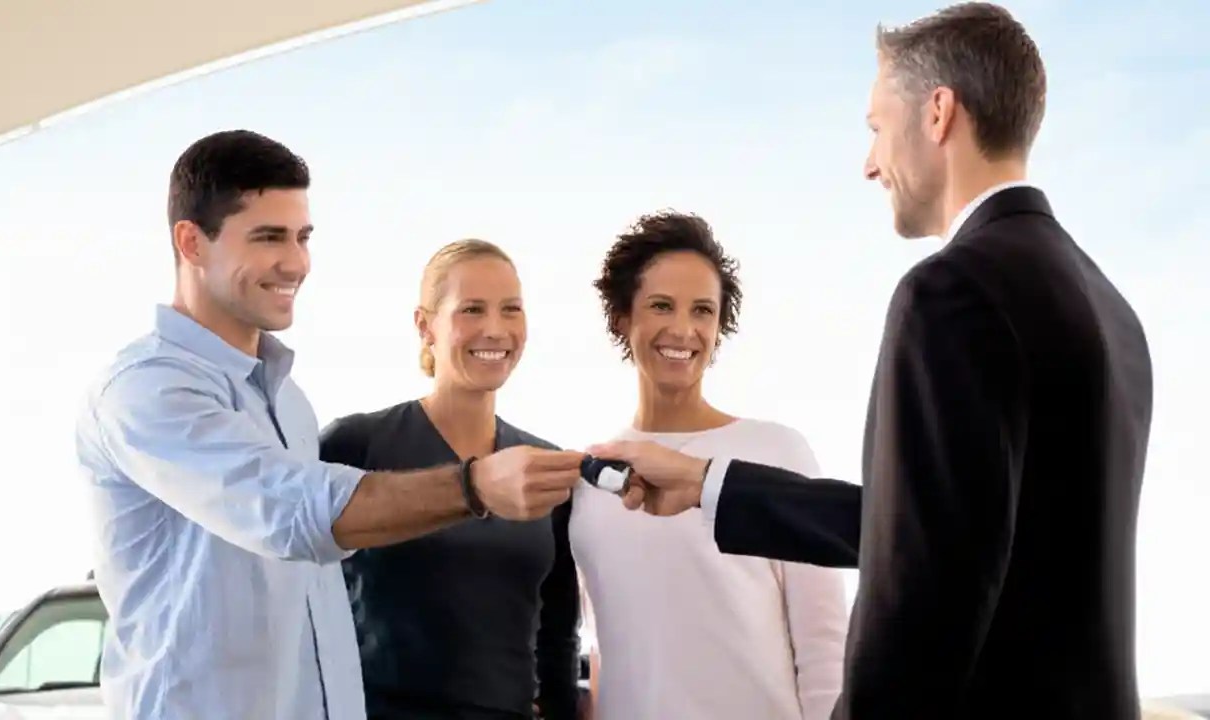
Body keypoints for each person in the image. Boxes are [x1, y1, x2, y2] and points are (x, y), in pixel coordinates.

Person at [586, 4, 1153, 719]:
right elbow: (943, 525)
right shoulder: (1110, 307)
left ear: (938, 113)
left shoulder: (950, 291)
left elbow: (921, 597)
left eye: (877, 128)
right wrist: (708, 484)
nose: (870, 163)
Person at [74, 130, 584, 720]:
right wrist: (475, 487)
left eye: (302, 237)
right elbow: (290, 511)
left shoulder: (289, 403)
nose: (295, 262)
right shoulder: (145, 390)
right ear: (191, 242)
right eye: (268, 237)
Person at [570, 211, 848, 720]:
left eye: (702, 310)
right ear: (621, 318)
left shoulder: (775, 452)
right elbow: (608, 647)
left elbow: (824, 645)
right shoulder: (592, 480)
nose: (684, 329)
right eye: (661, 306)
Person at [319, 239, 581, 720]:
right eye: (472, 310)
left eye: (511, 310)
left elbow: (558, 632)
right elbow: (299, 607)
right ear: (425, 326)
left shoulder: (544, 466)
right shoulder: (354, 446)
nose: (495, 329)